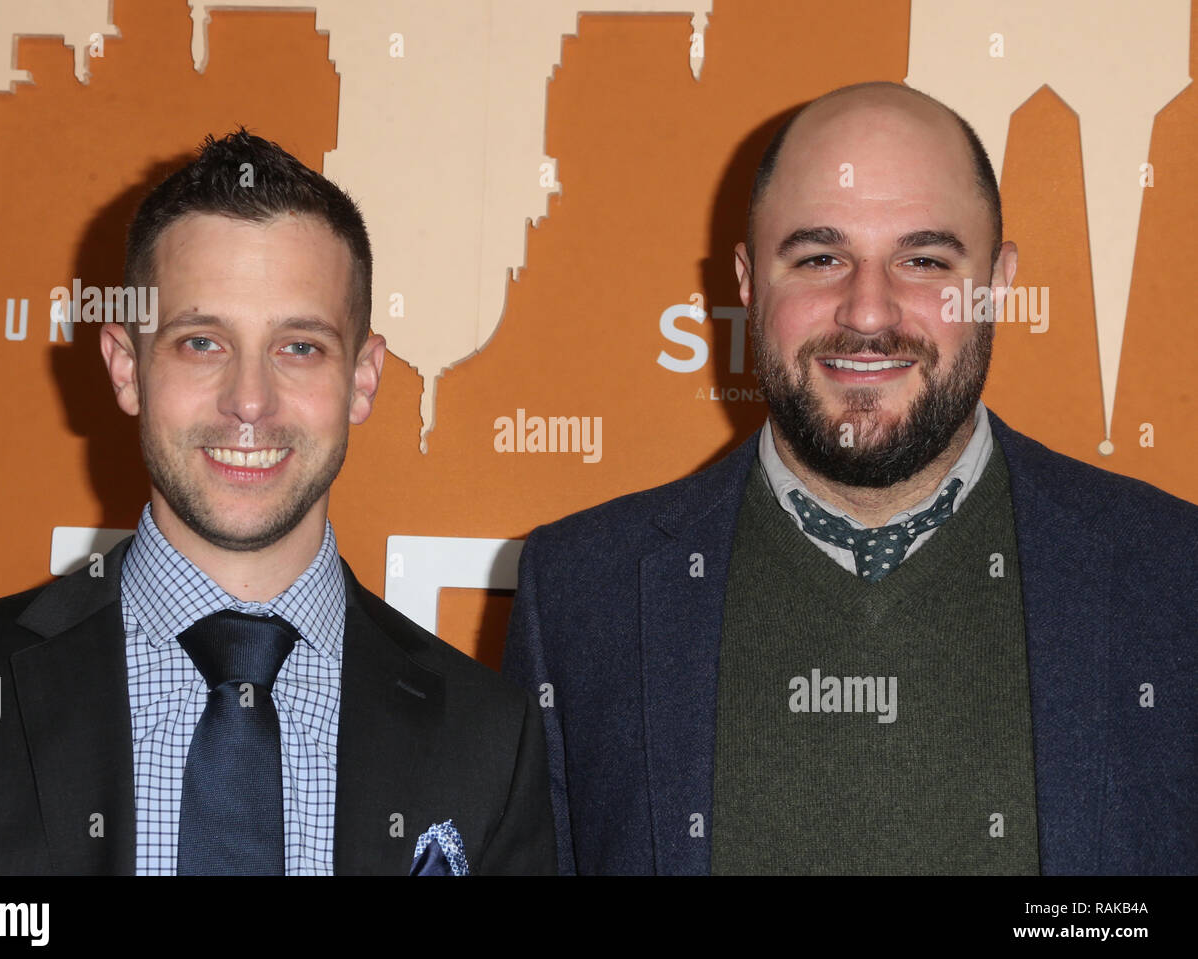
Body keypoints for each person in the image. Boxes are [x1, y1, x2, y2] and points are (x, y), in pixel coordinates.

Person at [502, 82, 1196, 875]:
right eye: (821, 257)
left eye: (925, 258)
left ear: (998, 283)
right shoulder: (582, 594)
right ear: (747, 281)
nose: (868, 312)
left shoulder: (1174, 580)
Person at [0, 129, 555, 876]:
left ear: (365, 376)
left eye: (299, 346)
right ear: (125, 367)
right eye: (202, 342)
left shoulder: (488, 741)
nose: (250, 401)